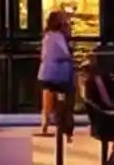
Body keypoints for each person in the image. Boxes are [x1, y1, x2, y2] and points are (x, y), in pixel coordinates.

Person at [37, 10, 76, 140]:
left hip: (46, 75)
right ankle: (65, 125)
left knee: (48, 96)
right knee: (67, 97)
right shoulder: (56, 37)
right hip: (60, 76)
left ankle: (46, 123)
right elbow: (65, 54)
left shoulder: (47, 36)